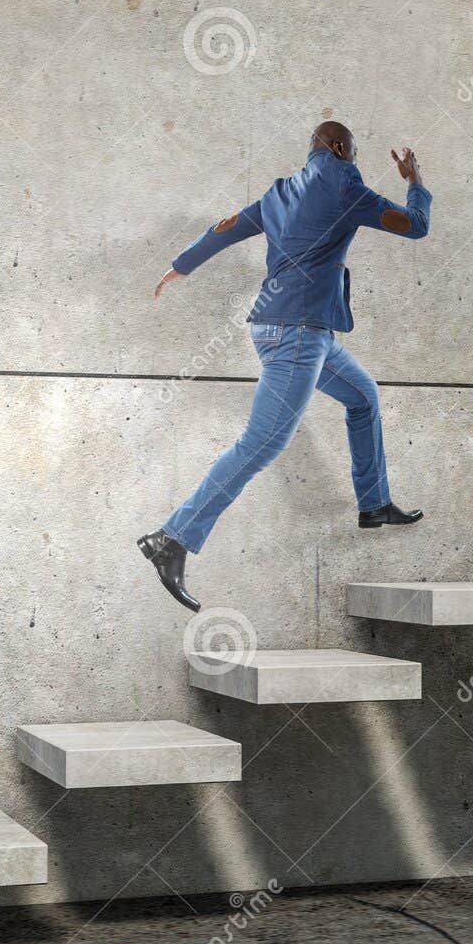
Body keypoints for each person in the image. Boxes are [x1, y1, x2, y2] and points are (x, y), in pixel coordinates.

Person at [138, 121, 431, 612]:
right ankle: (172, 539)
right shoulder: (346, 185)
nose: (355, 159)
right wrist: (415, 181)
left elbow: (226, 228)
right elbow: (415, 225)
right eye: (354, 151)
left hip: (293, 331)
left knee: (362, 397)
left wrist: (182, 264)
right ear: (339, 147)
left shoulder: (280, 191)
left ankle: (375, 503)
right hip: (297, 335)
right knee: (263, 442)